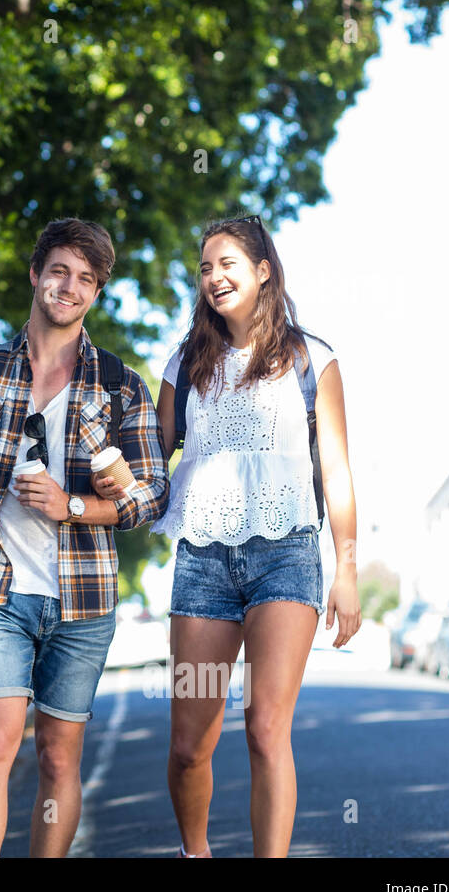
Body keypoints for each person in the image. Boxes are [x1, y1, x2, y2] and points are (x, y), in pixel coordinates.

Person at [0, 218, 169, 857]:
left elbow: (151, 497)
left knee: (56, 754)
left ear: (96, 292)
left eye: (85, 279)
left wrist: (72, 504)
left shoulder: (120, 384)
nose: (69, 287)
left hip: (83, 600)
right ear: (35, 274)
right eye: (59, 271)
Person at [151, 214, 361, 858]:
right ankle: (197, 852)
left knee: (266, 727)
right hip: (203, 563)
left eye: (228, 264)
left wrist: (347, 571)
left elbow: (339, 473)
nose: (214, 277)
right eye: (206, 268)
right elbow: (148, 465)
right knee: (189, 747)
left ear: (263, 269)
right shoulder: (185, 364)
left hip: (286, 558)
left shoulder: (310, 359)